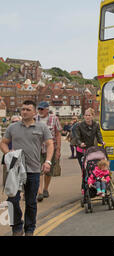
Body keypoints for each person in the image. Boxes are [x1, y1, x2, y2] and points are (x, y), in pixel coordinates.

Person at [0, 100, 53, 236]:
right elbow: (4, 143)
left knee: (30, 202)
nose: (24, 112)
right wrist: (9, 155)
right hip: (15, 170)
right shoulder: (13, 127)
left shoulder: (42, 127)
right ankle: (17, 228)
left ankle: (30, 229)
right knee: (12, 201)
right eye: (23, 109)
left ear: (34, 112)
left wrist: (47, 161)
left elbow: (50, 144)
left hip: (34, 170)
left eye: (28, 109)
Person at [35, 101, 62, 202]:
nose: (40, 111)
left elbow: (58, 134)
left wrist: (58, 149)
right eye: (39, 109)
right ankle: (40, 192)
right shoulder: (35, 118)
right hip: (37, 148)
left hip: (51, 148)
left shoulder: (54, 118)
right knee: (39, 170)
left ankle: (45, 188)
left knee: (48, 171)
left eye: (42, 109)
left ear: (47, 109)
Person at [1, 115, 22, 187]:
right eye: (13, 121)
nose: (15, 123)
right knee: (7, 175)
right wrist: (8, 153)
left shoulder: (23, 131)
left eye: (17, 121)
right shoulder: (8, 131)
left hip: (20, 155)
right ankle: (7, 187)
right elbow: (3, 144)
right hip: (8, 154)